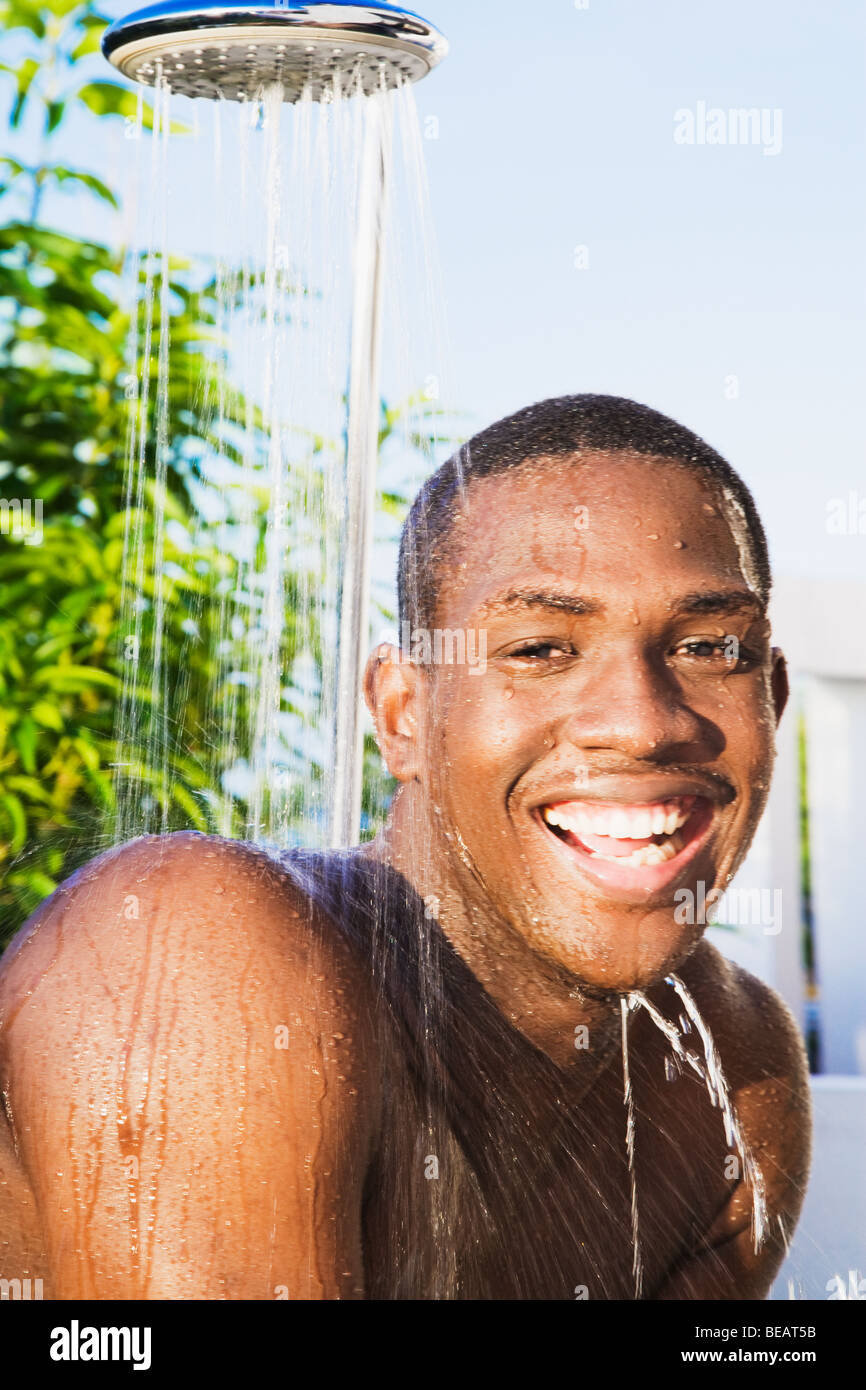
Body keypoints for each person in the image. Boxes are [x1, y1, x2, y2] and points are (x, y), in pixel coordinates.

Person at [0, 395, 810, 1299]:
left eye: (708, 647)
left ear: (771, 703)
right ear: (403, 713)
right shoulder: (189, 945)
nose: (643, 723)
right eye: (540, 649)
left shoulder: (731, 1073)